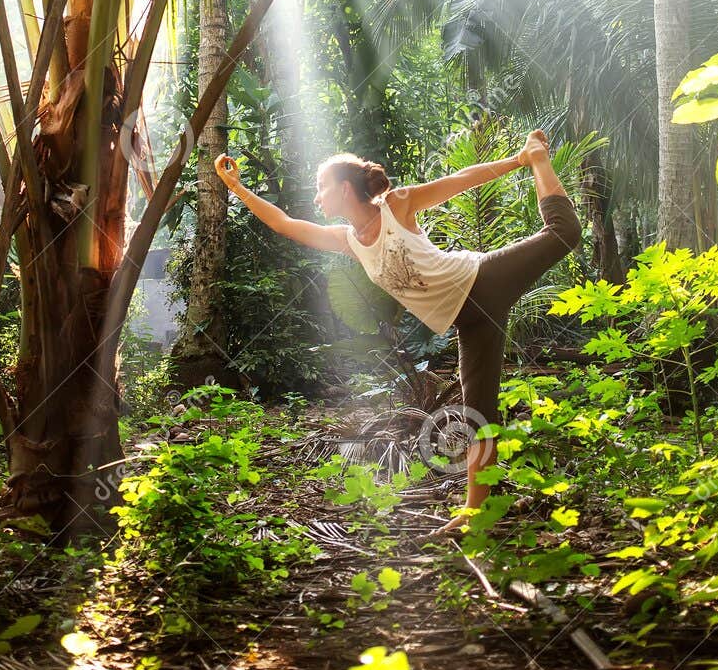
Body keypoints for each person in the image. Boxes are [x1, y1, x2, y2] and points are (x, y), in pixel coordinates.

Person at [213, 131, 582, 535]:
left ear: (343, 187)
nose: (317, 198)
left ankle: (539, 155)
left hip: (482, 280)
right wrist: (237, 188)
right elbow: (285, 225)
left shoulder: (396, 206)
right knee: (477, 415)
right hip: (468, 322)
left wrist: (520, 161)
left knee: (564, 232)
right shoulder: (348, 241)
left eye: (321, 188)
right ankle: (476, 512)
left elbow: (460, 180)